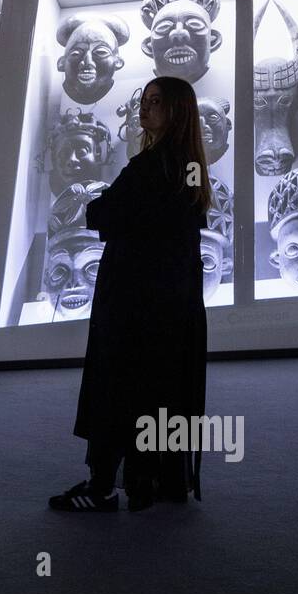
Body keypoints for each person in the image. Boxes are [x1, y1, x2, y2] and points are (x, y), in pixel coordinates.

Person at [49, 76, 212, 513]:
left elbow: (100, 212)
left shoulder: (149, 167)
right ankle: (155, 482)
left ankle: (102, 485)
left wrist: (109, 208)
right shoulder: (189, 168)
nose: (146, 109)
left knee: (115, 386)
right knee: (158, 385)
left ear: (176, 110)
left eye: (156, 102)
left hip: (132, 300)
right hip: (171, 302)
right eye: (144, 101)